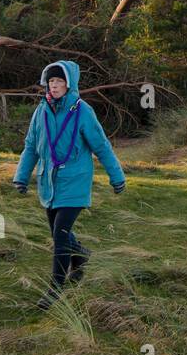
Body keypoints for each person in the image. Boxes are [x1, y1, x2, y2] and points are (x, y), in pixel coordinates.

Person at [13, 60, 126, 309]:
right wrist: (21, 176)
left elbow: (101, 146)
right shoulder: (40, 111)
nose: (54, 86)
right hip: (48, 182)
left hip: (75, 181)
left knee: (60, 235)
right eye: (51, 82)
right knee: (58, 232)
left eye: (59, 82)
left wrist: (116, 176)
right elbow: (31, 147)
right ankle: (81, 256)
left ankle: (56, 288)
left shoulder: (83, 111)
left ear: (69, 84)